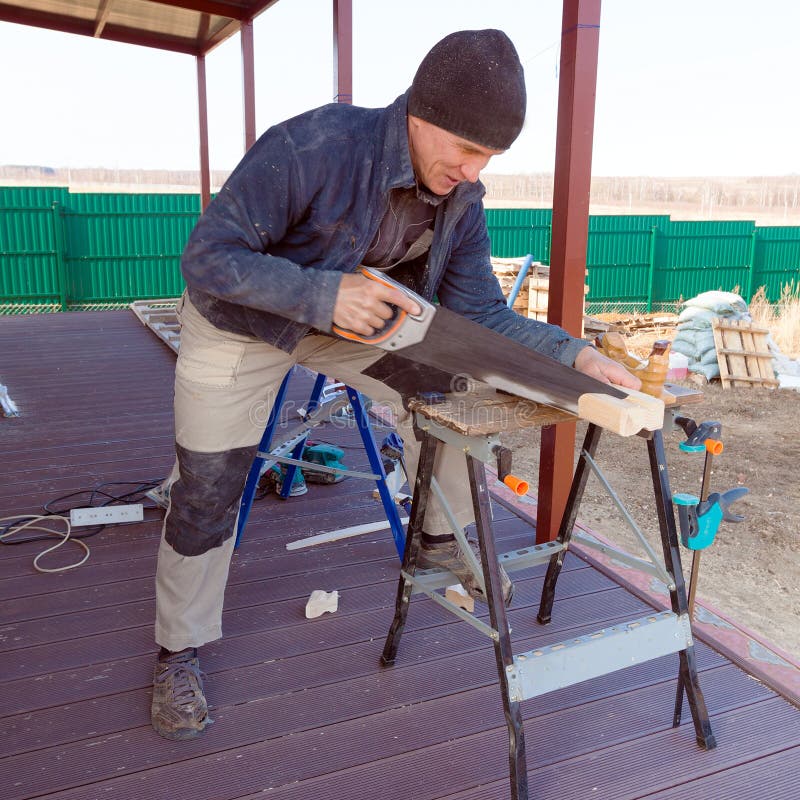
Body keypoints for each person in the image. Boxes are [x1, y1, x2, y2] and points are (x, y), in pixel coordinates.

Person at [150, 28, 641, 741]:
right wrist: (324, 296)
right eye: (468, 152)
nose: (475, 172)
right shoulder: (312, 144)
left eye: (491, 158)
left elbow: (480, 314)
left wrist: (573, 355)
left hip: (350, 322)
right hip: (239, 319)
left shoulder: (461, 199)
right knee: (208, 481)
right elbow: (208, 258)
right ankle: (178, 649)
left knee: (459, 387)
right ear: (421, 114)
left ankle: (440, 538)